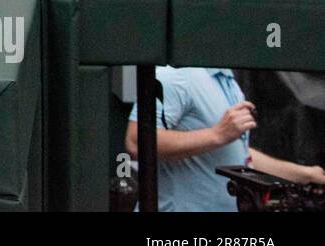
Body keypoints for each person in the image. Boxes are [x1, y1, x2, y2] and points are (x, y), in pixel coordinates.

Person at [126, 67, 325, 211]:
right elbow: (136, 141)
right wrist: (218, 134)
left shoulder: (228, 82)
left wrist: (306, 174)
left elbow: (240, 155)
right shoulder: (176, 75)